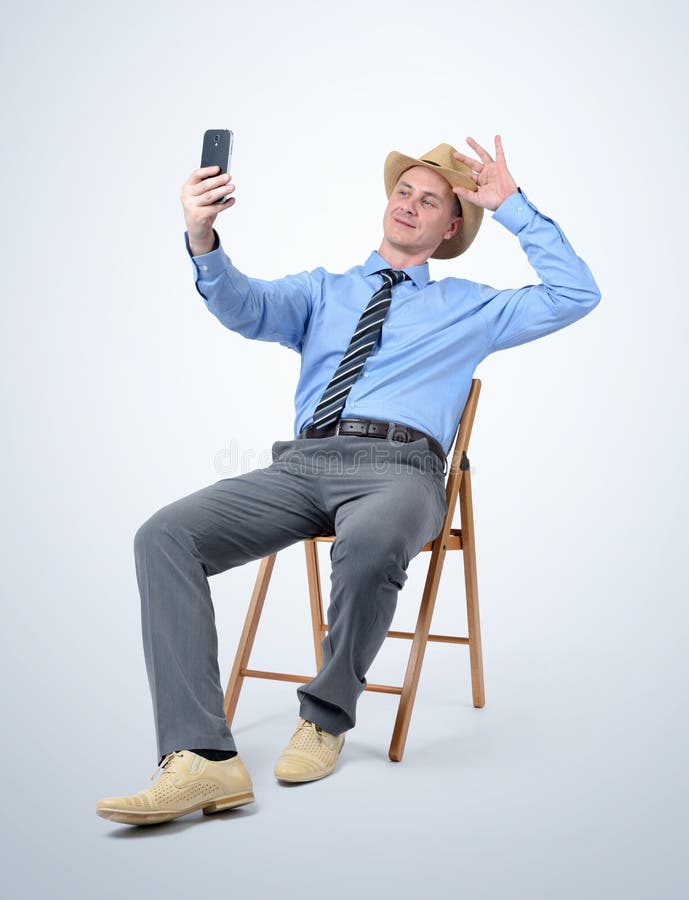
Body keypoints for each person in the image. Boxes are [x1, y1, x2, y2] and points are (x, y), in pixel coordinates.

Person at [96, 136, 600, 826]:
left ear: (450, 227)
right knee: (163, 535)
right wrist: (201, 233)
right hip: (303, 467)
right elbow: (242, 306)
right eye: (404, 192)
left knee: (367, 542)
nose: (410, 206)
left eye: (430, 201)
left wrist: (511, 207)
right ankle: (201, 759)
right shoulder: (320, 290)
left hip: (401, 472)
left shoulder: (470, 306)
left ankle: (327, 714)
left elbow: (576, 294)